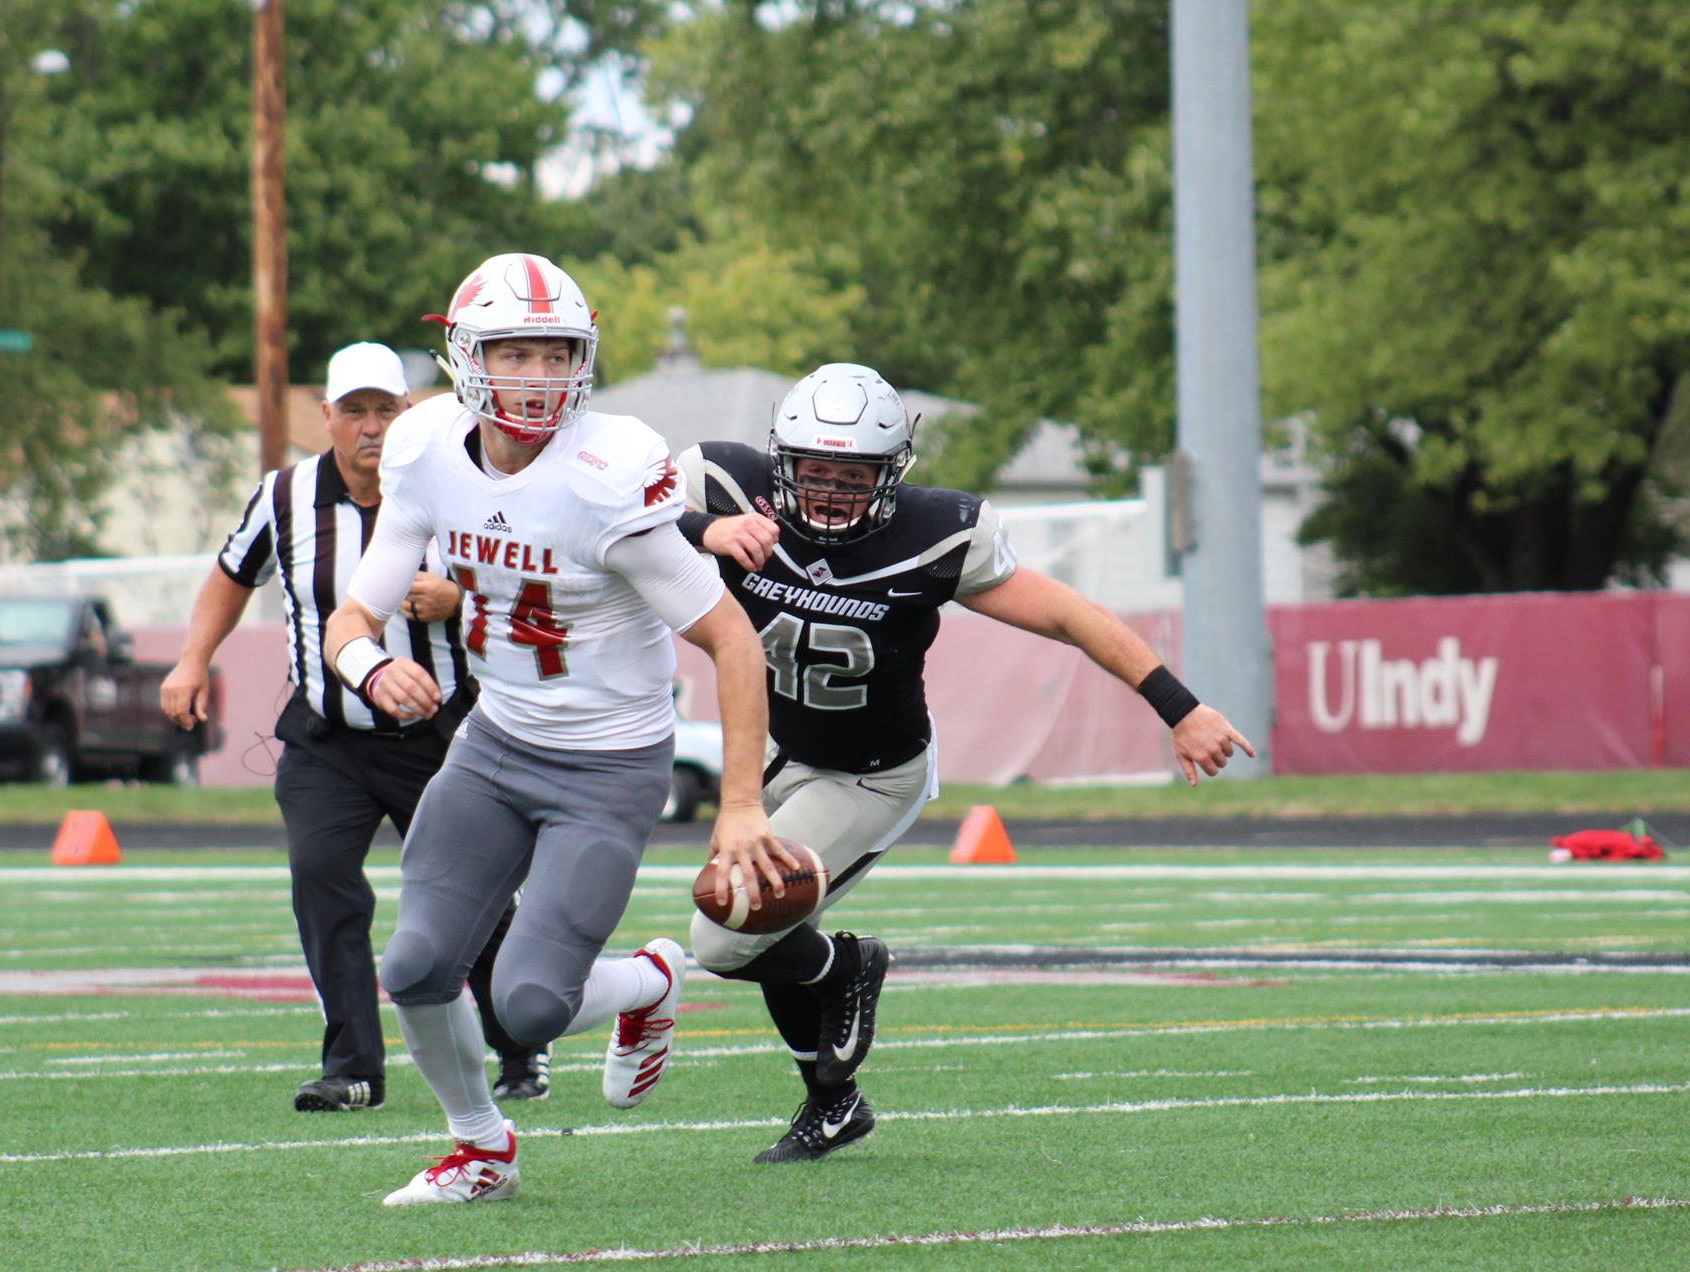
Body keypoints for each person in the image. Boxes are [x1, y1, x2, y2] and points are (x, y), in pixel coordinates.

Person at [674, 362, 1256, 1165]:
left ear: (892, 473)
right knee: (774, 917)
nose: (835, 491)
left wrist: (1180, 706)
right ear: (781, 463)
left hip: (872, 773)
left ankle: (848, 965)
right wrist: (699, 529)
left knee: (725, 933)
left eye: (855, 475)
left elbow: (1068, 613)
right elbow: (612, 517)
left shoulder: (934, 532)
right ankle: (834, 1103)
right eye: (816, 471)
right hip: (777, 755)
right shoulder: (724, 487)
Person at [321, 253, 789, 1206]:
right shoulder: (423, 451)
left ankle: (652, 982)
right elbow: (350, 618)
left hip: (608, 766)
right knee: (412, 963)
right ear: (465, 356)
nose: (536, 376)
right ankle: (480, 1147)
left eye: (555, 354)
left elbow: (734, 643)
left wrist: (740, 805)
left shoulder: (604, 474)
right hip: (494, 746)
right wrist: (376, 669)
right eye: (515, 352)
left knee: (529, 1003)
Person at [161, 341, 550, 1114]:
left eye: (385, 410)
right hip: (327, 735)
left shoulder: (456, 485)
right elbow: (232, 576)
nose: (371, 427)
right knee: (322, 879)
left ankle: (516, 1044)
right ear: (327, 416)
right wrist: (190, 660)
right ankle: (353, 1066)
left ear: (408, 415)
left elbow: (530, 593)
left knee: (470, 891)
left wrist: (460, 601)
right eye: (355, 411)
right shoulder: (283, 496)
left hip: (438, 734)